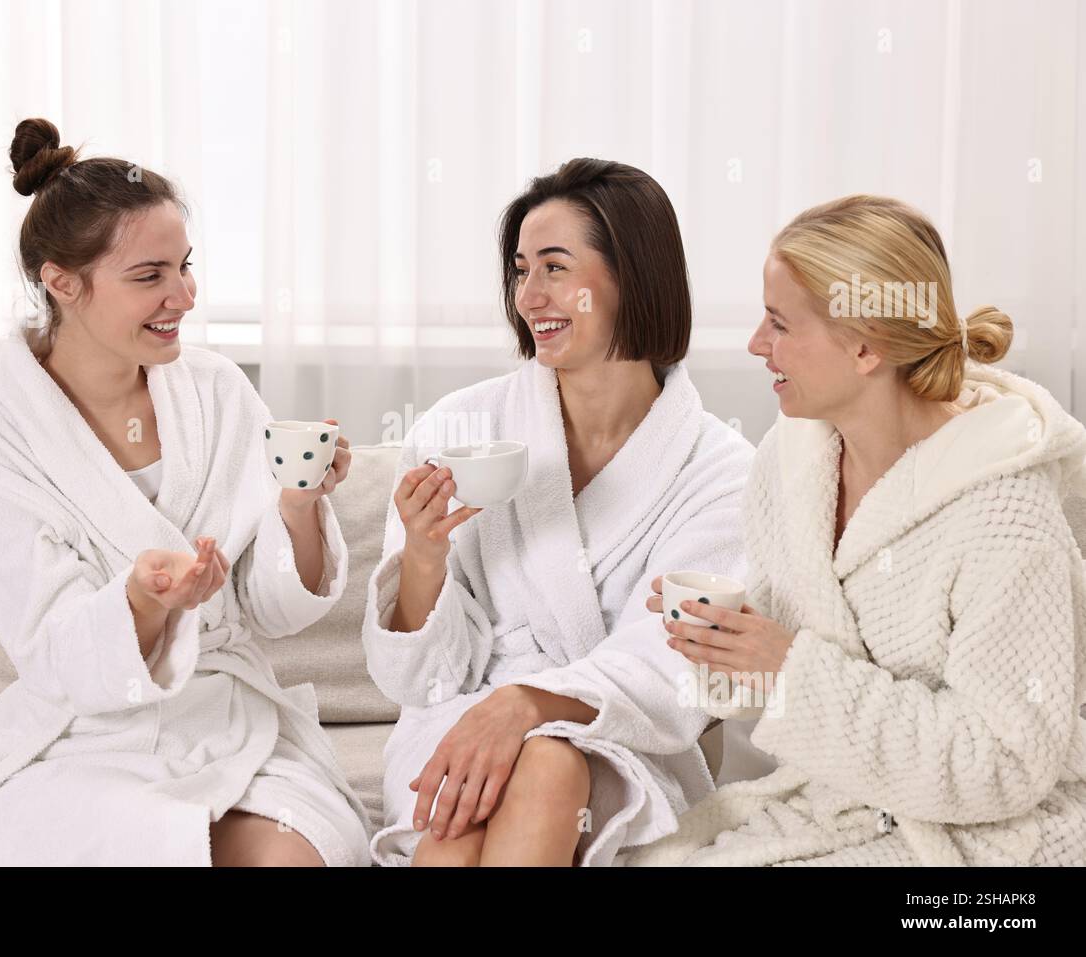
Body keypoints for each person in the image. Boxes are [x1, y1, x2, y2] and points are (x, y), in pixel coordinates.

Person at [0, 119, 371, 867]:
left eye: (186, 266)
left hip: (229, 714)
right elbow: (52, 647)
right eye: (150, 276)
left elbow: (274, 609)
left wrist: (297, 506)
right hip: (82, 731)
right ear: (62, 281)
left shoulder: (217, 392)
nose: (185, 295)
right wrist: (144, 602)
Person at [636, 194, 1086, 866]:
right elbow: (798, 673)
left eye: (779, 323)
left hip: (988, 835)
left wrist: (789, 666)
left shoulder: (1005, 514)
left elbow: (1006, 762)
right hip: (841, 804)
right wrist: (731, 646)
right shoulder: (790, 463)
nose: (758, 345)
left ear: (866, 346)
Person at [362, 158, 761, 866]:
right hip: (460, 721)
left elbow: (675, 670)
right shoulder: (458, 428)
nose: (529, 296)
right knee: (462, 833)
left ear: (632, 275)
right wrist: (422, 557)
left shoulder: (721, 470)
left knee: (547, 763)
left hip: (622, 737)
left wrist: (529, 703)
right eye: (520, 271)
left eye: (553, 267)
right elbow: (419, 681)